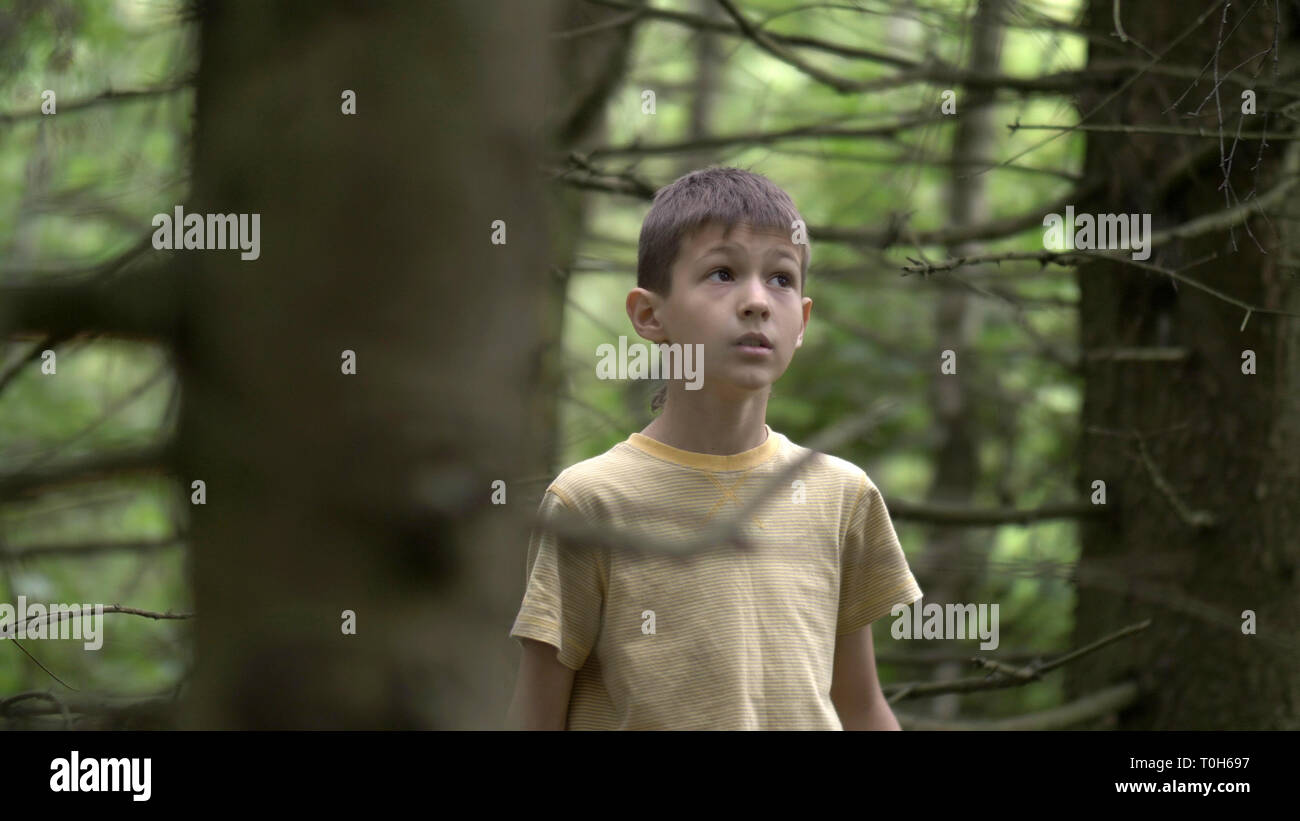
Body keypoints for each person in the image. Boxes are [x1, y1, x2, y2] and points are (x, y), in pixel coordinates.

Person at [506, 166, 923, 730]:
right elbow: (536, 718)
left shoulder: (841, 494)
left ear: (800, 322)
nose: (756, 301)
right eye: (722, 273)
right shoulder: (592, 501)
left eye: (780, 278)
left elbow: (861, 705)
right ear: (650, 316)